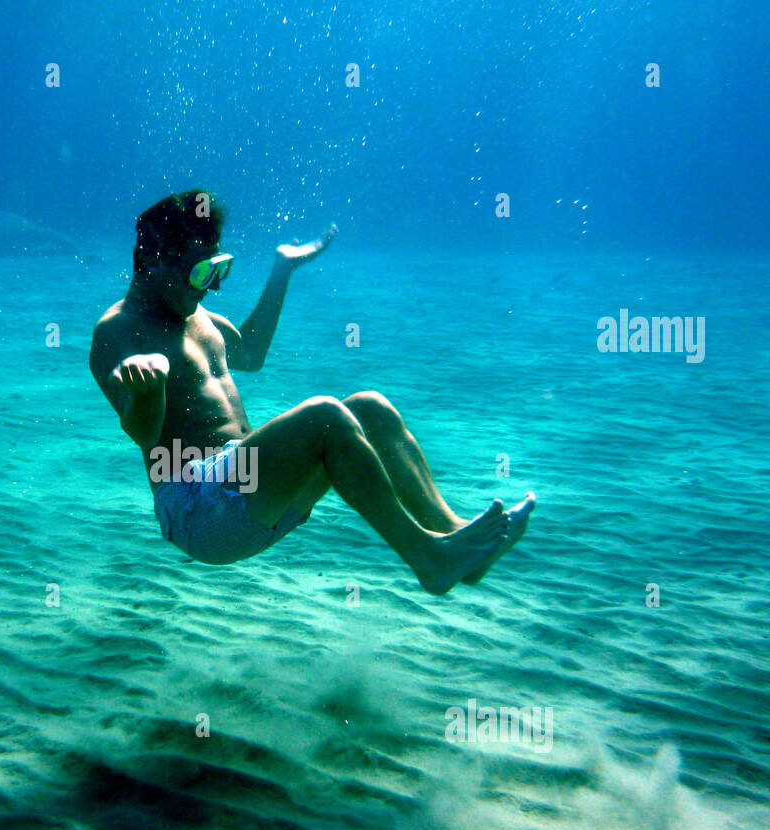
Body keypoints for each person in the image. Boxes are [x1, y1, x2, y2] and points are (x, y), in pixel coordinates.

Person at [89, 190, 533, 594]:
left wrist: (282, 269)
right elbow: (143, 434)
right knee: (324, 415)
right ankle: (429, 558)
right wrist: (148, 391)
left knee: (370, 409)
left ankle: (456, 540)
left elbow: (253, 352)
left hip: (251, 494)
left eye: (220, 266)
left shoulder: (199, 316)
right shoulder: (119, 331)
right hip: (195, 510)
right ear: (153, 259)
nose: (214, 285)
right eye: (203, 270)